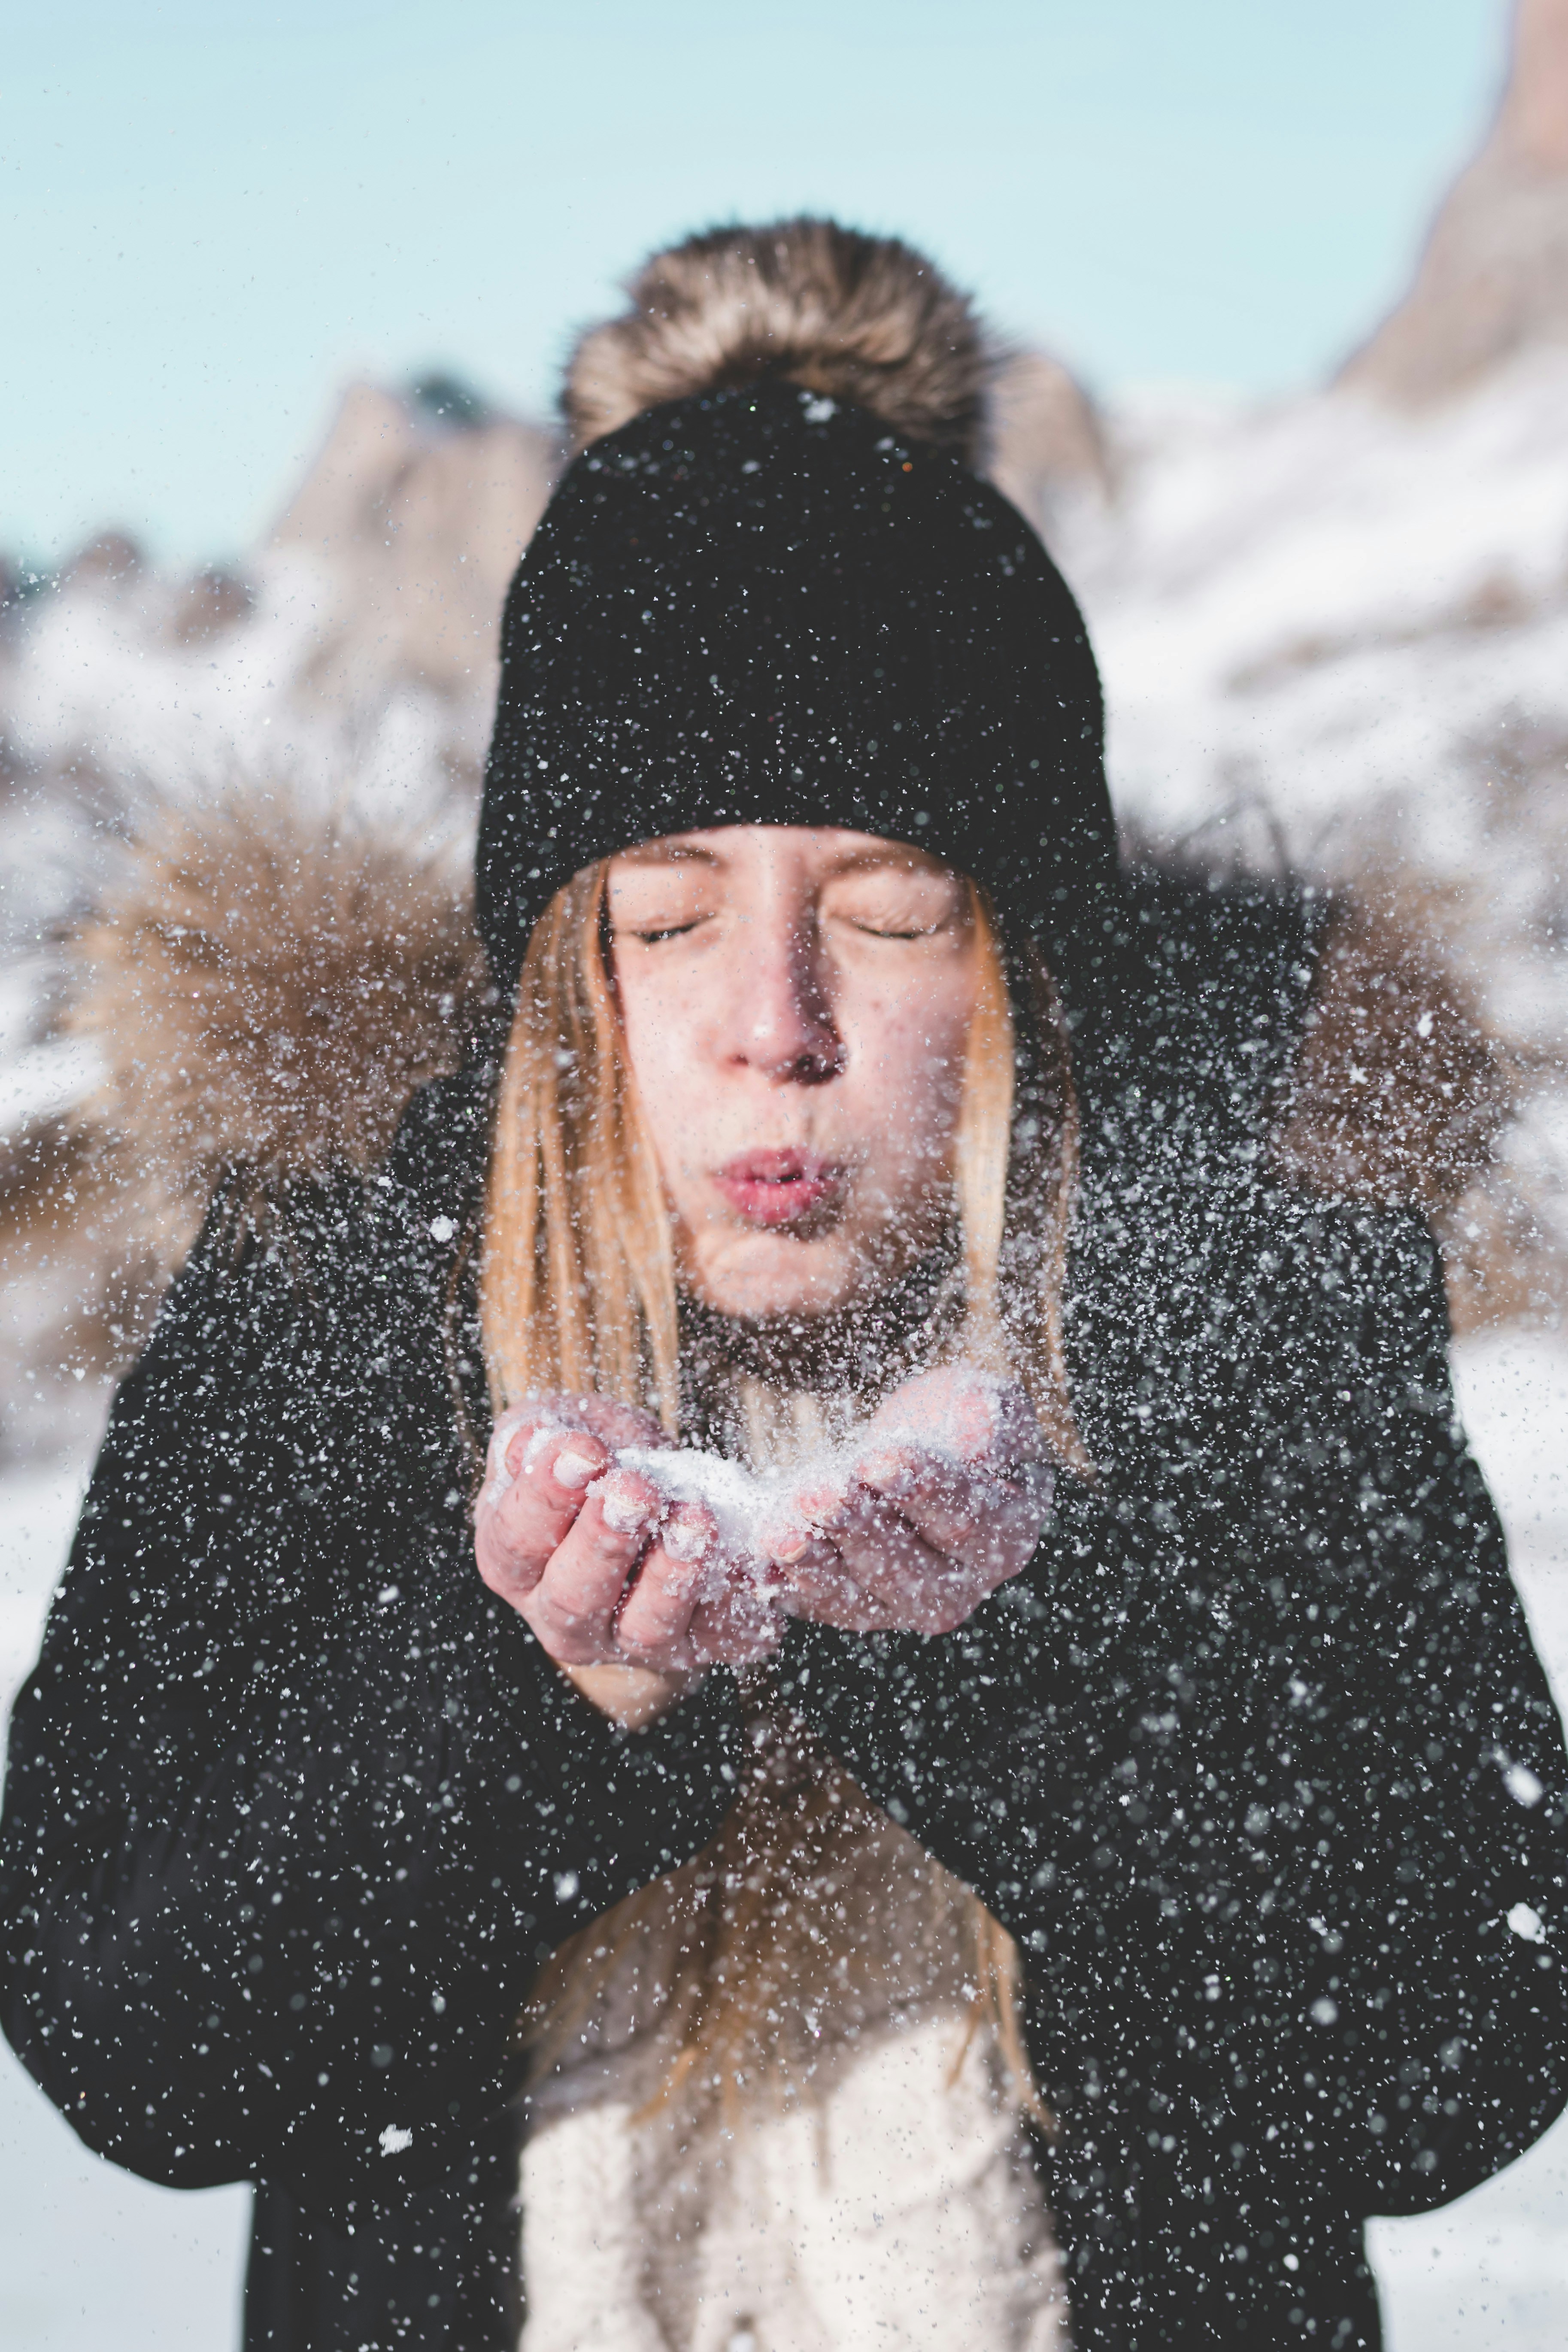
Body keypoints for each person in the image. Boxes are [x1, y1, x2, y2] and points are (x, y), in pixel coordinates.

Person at [3, 219, 1565, 2352]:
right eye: (663, 914)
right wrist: (544, 1699)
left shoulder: (1243, 1286)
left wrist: (1009, 1659)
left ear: (1020, 949)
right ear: (562, 970)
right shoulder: (342, 1277)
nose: (776, 1017)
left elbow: (1454, 2049)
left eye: (891, 906)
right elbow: (132, 2037)